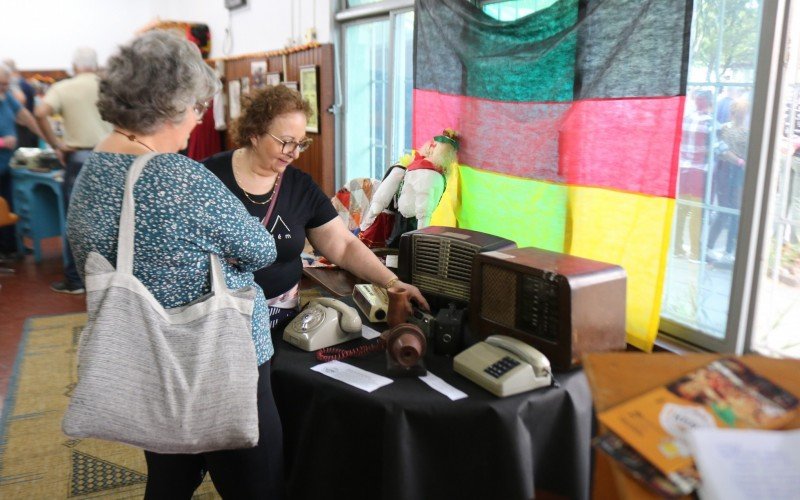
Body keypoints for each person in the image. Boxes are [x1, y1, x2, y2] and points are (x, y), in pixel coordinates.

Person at [66, 31, 282, 498]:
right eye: (197, 107)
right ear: (172, 104)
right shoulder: (179, 177)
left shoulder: (92, 170)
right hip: (216, 357)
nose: (197, 119)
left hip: (144, 357)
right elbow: (262, 249)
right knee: (256, 483)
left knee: (170, 475)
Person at [203, 85, 429, 330]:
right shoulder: (206, 178)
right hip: (220, 321)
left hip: (279, 320)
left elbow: (343, 245)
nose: (295, 153)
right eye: (287, 142)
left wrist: (392, 283)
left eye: (301, 143)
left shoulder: (300, 186)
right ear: (255, 133)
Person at [35, 47, 112, 294]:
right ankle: (113, 278)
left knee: (76, 219)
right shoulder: (110, 86)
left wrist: (56, 144)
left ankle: (75, 280)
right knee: (114, 216)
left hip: (80, 158)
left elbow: (40, 112)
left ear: (74, 65)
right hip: (113, 155)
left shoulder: (63, 88)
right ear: (96, 63)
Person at [0, 62, 43, 257]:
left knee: (9, 205)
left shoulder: (6, 96)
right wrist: (1, 142)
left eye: (7, 84)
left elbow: (25, 116)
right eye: (1, 84)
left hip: (7, 165)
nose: (5, 88)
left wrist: (45, 136)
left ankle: (11, 247)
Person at [707, 97, 750, 265]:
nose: (741, 114)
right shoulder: (729, 129)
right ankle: (725, 250)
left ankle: (722, 249)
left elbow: (721, 151)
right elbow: (720, 150)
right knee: (731, 210)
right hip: (730, 171)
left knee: (730, 210)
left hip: (729, 171)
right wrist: (740, 161)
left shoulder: (733, 130)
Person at [675, 90, 714, 261]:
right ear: (709, 102)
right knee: (696, 212)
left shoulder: (687, 118)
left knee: (682, 210)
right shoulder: (710, 122)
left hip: (683, 169)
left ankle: (677, 247)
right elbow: (715, 147)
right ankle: (694, 251)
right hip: (699, 171)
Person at [2, 59, 38, 148]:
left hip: (20, 132)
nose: (3, 87)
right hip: (24, 132)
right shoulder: (25, 84)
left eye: (6, 84)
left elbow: (22, 103)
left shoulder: (9, 90)